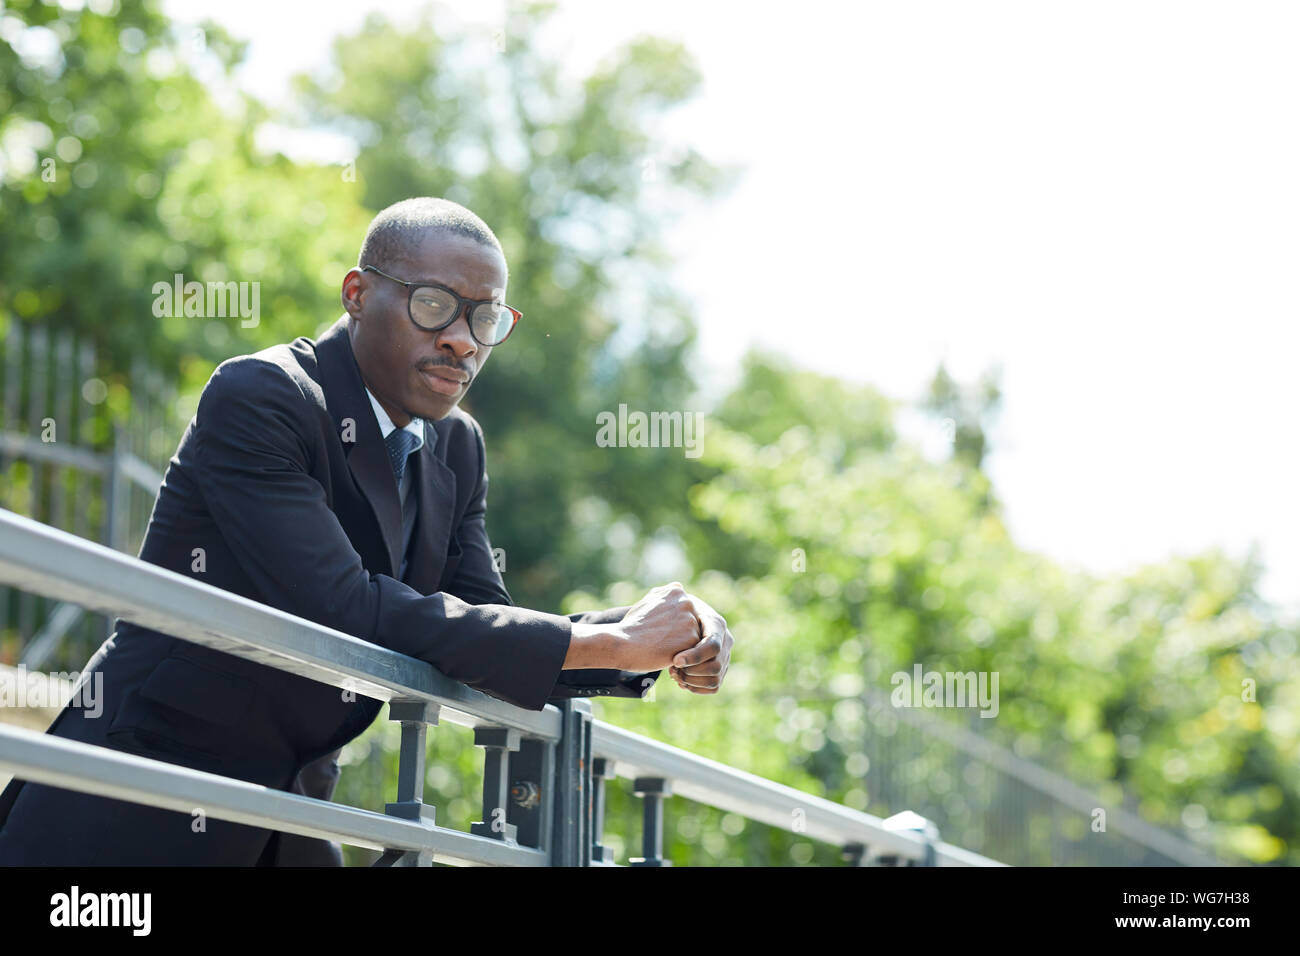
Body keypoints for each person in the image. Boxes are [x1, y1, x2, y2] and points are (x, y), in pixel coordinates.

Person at [0, 197, 734, 865]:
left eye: (485, 319)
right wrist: (607, 642)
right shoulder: (263, 396)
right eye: (434, 305)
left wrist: (653, 636)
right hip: (134, 796)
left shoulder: (455, 447)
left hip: (289, 804)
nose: (461, 342)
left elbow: (482, 608)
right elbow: (342, 603)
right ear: (358, 294)